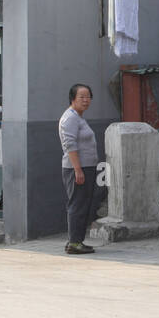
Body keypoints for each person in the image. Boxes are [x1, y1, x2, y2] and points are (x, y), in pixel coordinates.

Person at [59, 83, 100, 254]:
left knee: (82, 204)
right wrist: (78, 169)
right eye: (81, 97)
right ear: (72, 99)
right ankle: (75, 243)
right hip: (78, 168)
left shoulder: (79, 117)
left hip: (86, 168)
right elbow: (70, 145)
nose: (85, 100)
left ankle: (75, 241)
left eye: (88, 96)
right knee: (78, 205)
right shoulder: (70, 118)